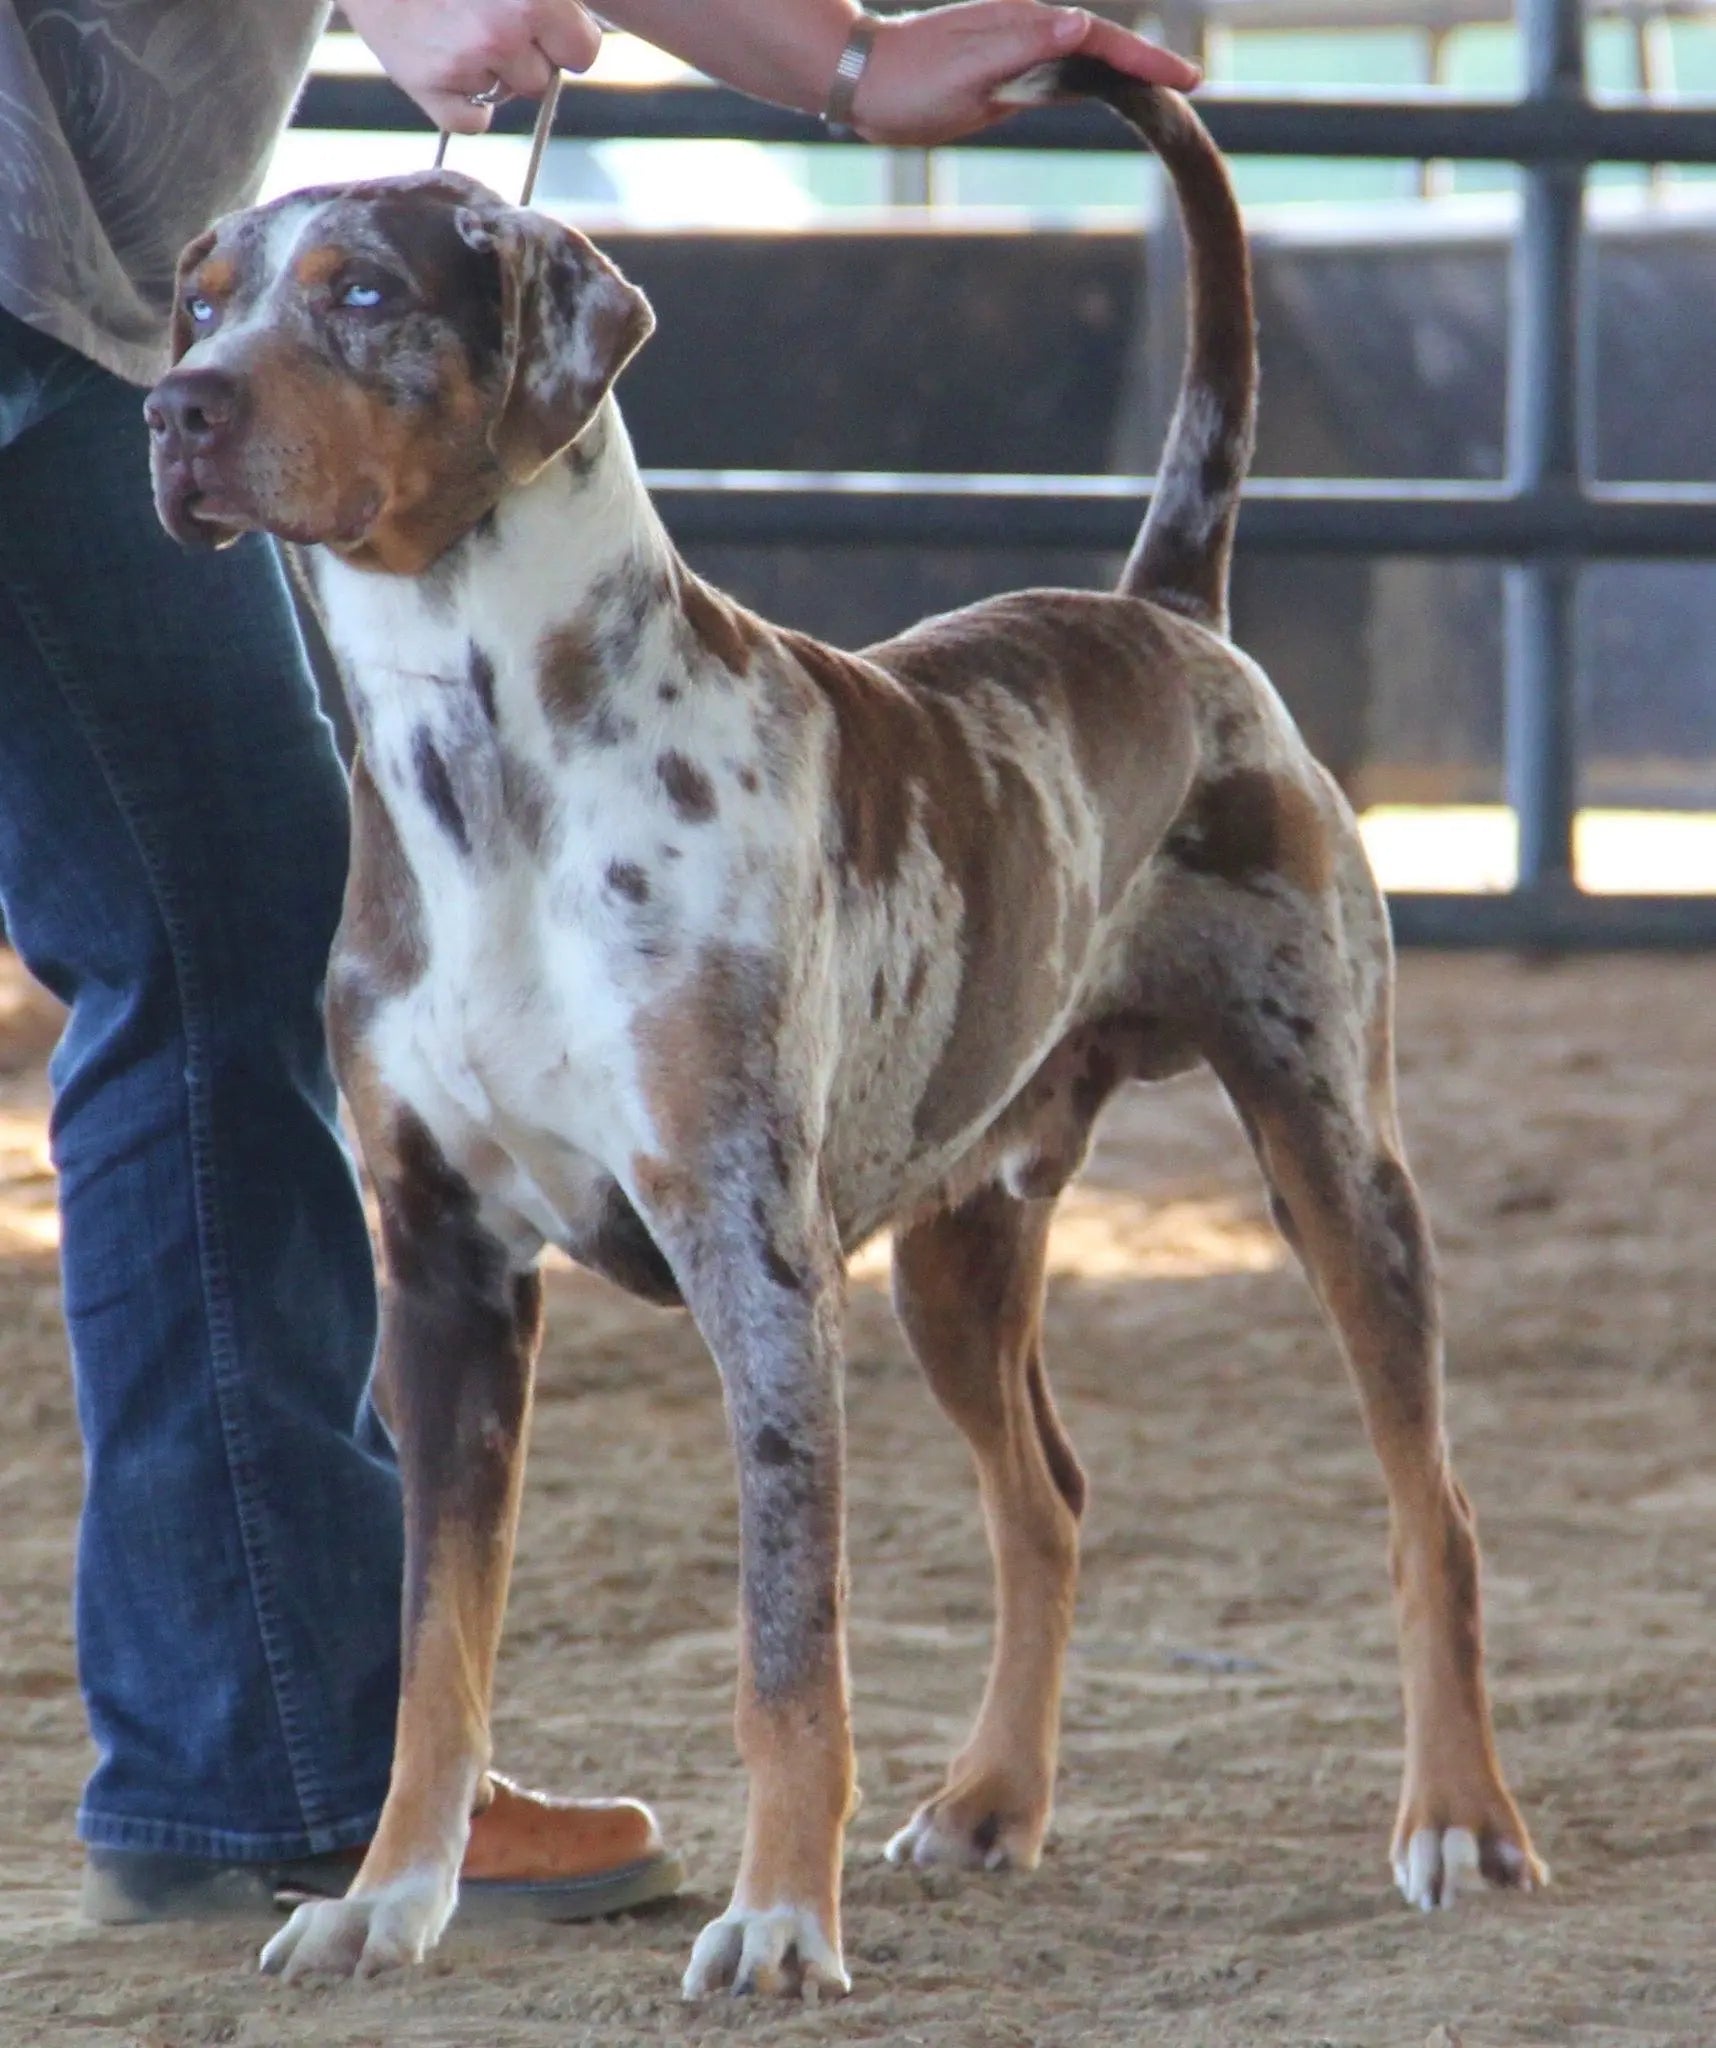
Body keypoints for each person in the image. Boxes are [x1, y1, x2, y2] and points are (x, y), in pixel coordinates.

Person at [0, 0, 1198, 1927]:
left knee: (203, 945)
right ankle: (276, 1772)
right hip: (23, 280)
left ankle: (265, 1769)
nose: (207, 378)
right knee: (218, 949)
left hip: (52, 260)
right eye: (218, 330)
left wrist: (837, 62)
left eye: (310, 317)